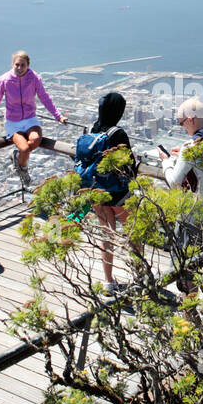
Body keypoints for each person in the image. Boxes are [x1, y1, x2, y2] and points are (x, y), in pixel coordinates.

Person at [159, 98, 203, 292]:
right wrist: (182, 152)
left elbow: (174, 181)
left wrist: (166, 162)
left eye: (182, 123)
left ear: (190, 119)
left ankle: (190, 320)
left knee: (186, 272)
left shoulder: (192, 148)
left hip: (191, 216)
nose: (183, 128)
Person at [76, 93, 141, 295]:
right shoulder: (117, 134)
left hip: (97, 191)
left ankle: (108, 281)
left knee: (107, 235)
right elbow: (128, 166)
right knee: (134, 233)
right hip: (119, 193)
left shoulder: (92, 130)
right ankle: (141, 276)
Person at [0, 50, 67, 187]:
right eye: (17, 65)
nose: (20, 68)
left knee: (35, 140)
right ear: (12, 64)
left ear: (28, 65)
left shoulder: (34, 78)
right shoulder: (4, 80)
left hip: (30, 118)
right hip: (13, 122)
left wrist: (58, 116)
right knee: (24, 149)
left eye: (23, 65)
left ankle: (18, 160)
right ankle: (22, 168)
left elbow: (44, 98)